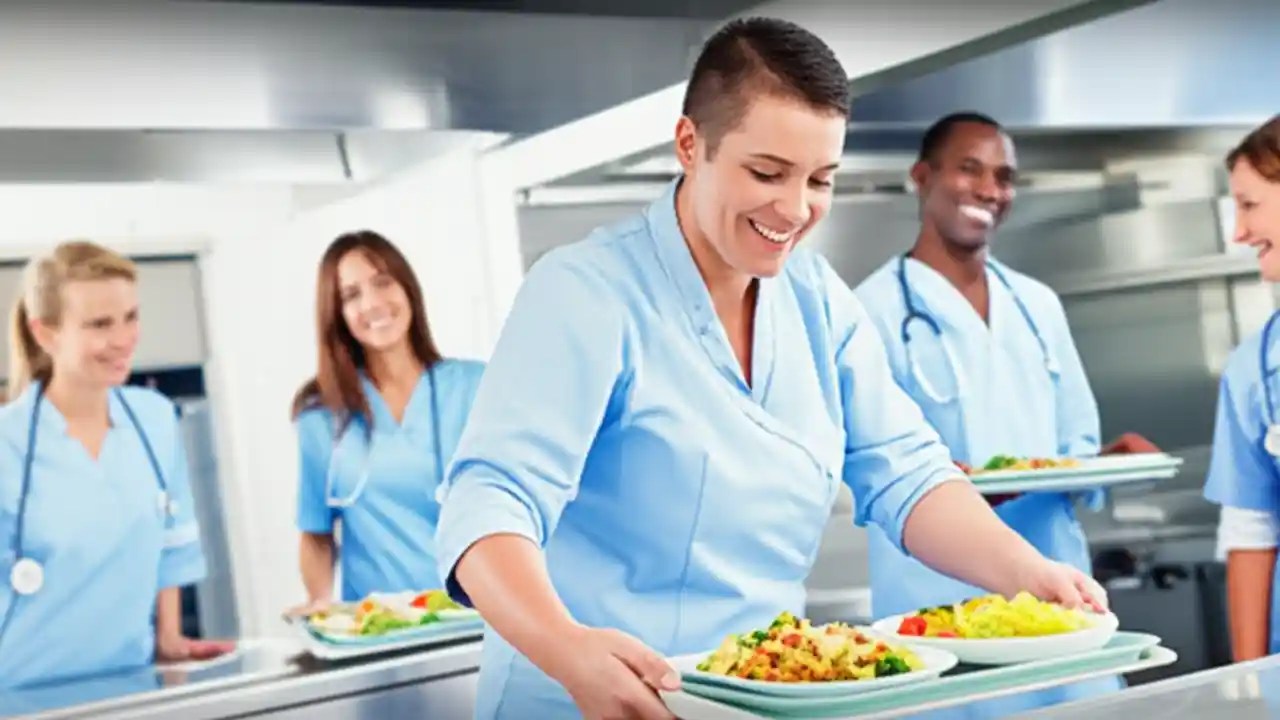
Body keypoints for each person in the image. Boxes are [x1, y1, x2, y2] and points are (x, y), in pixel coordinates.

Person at [433, 18, 1108, 720]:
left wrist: (1028, 575)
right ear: (690, 145)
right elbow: (490, 500)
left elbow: (907, 473)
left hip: (757, 698)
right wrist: (566, 648)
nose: (794, 209)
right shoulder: (586, 292)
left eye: (820, 179)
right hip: (586, 701)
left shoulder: (817, 301)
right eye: (766, 173)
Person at [852, 112, 1159, 716]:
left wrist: (1112, 464)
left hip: (1060, 606)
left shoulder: (1037, 305)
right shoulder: (869, 312)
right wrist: (953, 493)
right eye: (970, 168)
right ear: (922, 176)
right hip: (941, 611)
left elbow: (1074, 449)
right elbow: (874, 472)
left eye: (1005, 175)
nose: (990, 189)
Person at [0, 241, 233, 689]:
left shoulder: (154, 419)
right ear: (46, 334)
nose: (124, 339)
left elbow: (173, 539)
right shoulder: (9, 443)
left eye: (131, 317)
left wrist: (169, 636)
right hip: (20, 692)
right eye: (100, 324)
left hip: (129, 684)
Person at [289, 231, 486, 613]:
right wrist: (319, 602)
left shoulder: (475, 387)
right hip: (381, 629)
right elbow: (315, 532)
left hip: (476, 617)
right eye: (351, 295)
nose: (372, 303)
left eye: (383, 282)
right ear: (337, 315)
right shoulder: (322, 416)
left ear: (407, 287)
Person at [1204, 115, 1280, 663]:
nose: (1239, 232)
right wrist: (1251, 685)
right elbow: (1251, 528)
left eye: (1249, 205)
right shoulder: (1254, 368)